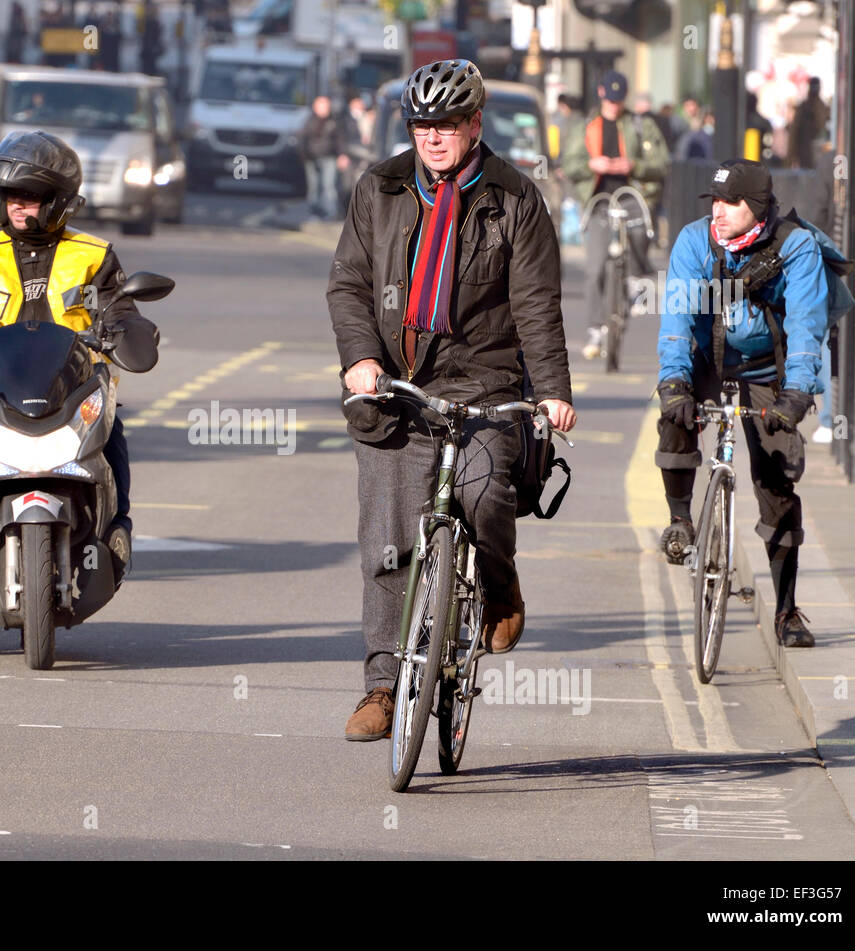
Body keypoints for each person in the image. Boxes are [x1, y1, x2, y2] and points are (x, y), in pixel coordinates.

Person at [328, 60, 576, 740]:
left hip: (484, 383)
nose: (432, 137)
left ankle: (500, 587)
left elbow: (534, 305)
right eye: (421, 125)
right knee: (388, 544)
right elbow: (348, 285)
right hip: (396, 389)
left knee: (486, 489)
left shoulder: (515, 199)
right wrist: (361, 359)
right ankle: (382, 686)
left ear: (474, 125)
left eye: (445, 125)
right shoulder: (378, 188)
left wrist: (551, 390)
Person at [0, 132, 158, 659]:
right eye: (11, 196)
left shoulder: (94, 256)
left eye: (32, 198)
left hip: (75, 392)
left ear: (60, 201)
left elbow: (121, 309)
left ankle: (116, 533)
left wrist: (130, 329)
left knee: (116, 455)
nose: (20, 207)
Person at [655, 159, 828, 648]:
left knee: (776, 484)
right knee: (673, 416)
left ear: (756, 208)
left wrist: (795, 394)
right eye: (714, 200)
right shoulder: (695, 240)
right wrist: (674, 381)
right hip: (706, 357)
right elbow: (676, 316)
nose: (718, 211)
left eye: (730, 202)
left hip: (765, 370)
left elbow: (805, 328)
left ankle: (787, 611)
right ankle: (681, 521)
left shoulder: (796, 248)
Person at [563, 69, 670, 360]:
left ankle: (636, 278)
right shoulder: (586, 125)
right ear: (601, 95)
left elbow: (662, 163)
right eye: (609, 100)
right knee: (595, 267)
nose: (614, 105)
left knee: (639, 232)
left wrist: (632, 165)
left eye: (618, 100)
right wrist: (591, 165)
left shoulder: (639, 125)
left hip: (632, 196)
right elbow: (569, 163)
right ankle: (596, 329)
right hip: (597, 200)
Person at [300, 95, 349, 220]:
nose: (324, 108)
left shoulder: (333, 121)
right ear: (315, 107)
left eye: (326, 105)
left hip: (329, 157)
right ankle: (314, 212)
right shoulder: (309, 120)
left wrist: (342, 155)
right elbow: (302, 138)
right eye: (321, 105)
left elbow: (340, 139)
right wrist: (304, 155)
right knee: (313, 186)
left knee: (328, 186)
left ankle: (329, 213)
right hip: (311, 158)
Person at [789, 78, 828, 170]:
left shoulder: (821, 107)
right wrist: (792, 156)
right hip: (805, 154)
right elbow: (794, 133)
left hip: (818, 153)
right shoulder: (803, 108)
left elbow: (822, 127)